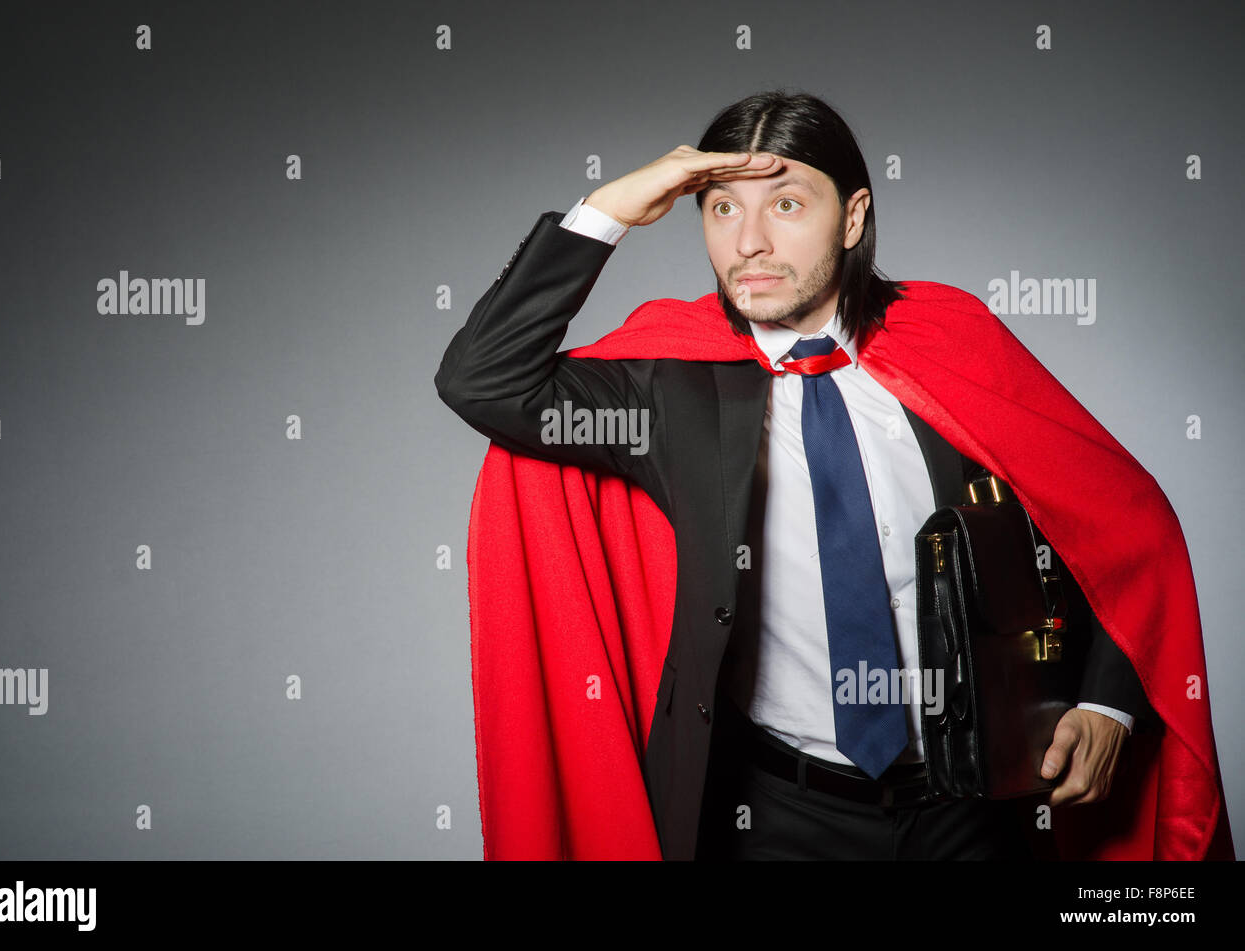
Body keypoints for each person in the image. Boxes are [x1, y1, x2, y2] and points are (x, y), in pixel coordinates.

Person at [434, 90, 1228, 861]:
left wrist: (1107, 700)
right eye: (719, 208)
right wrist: (606, 209)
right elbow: (484, 380)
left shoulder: (950, 341)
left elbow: (1108, 518)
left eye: (784, 205)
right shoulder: (667, 389)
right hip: (773, 812)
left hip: (981, 805)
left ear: (851, 217)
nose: (748, 242)